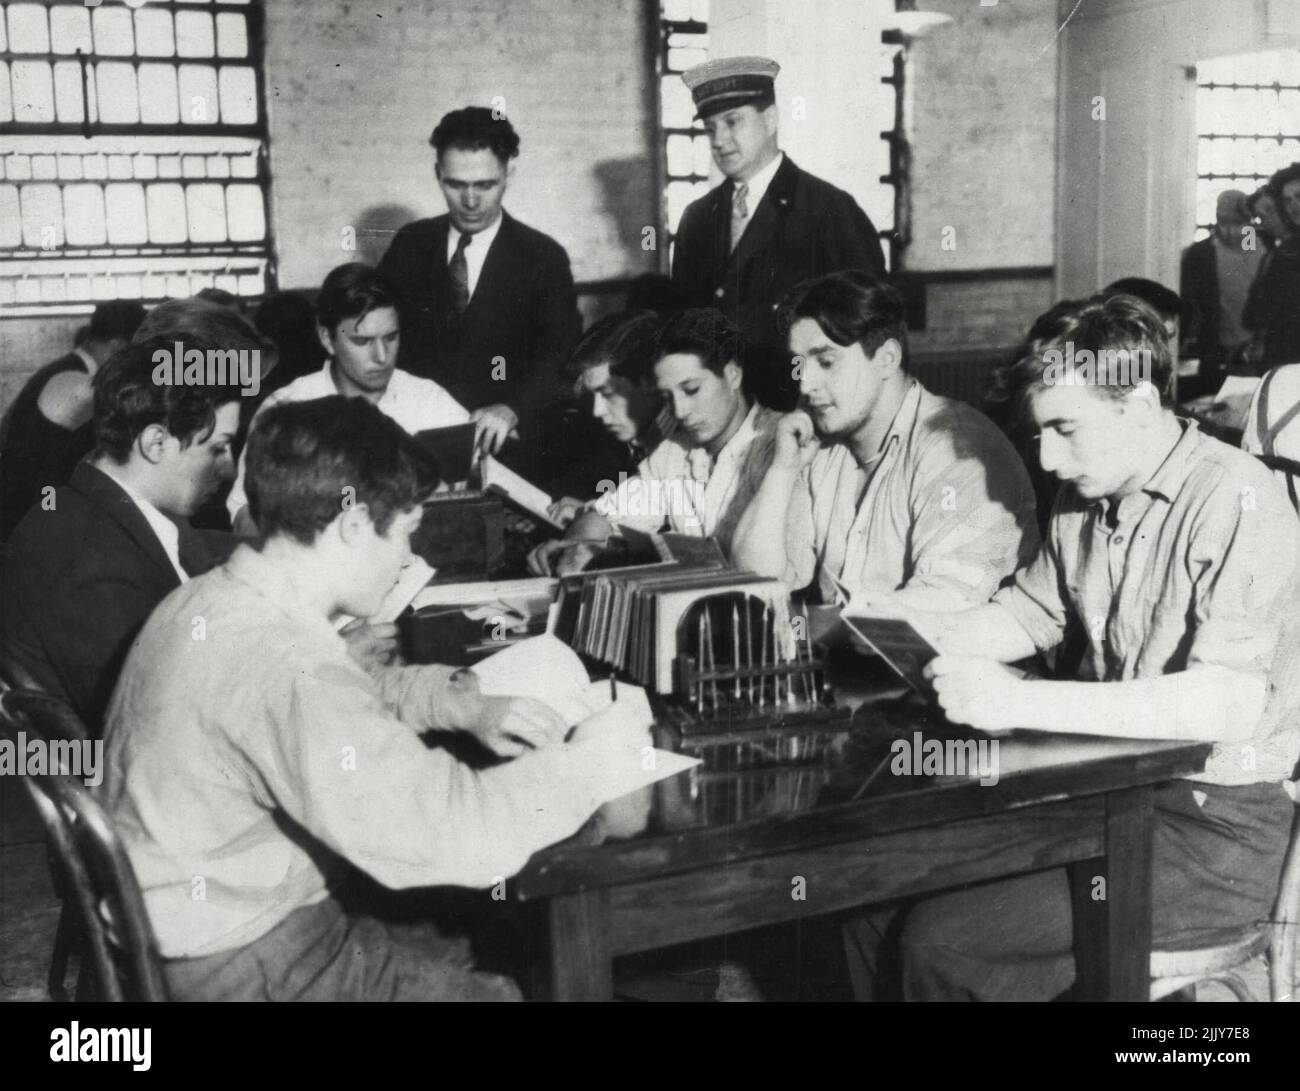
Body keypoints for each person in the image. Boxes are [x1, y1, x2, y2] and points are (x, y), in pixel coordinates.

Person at [100, 396, 651, 1001]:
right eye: (408, 534)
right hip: (245, 962)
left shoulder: (218, 599)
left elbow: (338, 694)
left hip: (202, 923)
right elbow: (458, 835)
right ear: (354, 525)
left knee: (495, 934)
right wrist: (595, 763)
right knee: (511, 981)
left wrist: (457, 703)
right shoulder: (288, 665)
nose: (410, 560)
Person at [857, 294, 1300, 1002]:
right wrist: (894, 629)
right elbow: (1027, 613)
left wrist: (1016, 697)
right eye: (1039, 432)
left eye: (1065, 428)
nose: (1047, 458)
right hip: (1112, 791)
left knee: (940, 938)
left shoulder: (1237, 499)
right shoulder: (1083, 501)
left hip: (1219, 828)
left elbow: (1229, 702)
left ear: (1141, 403)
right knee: (871, 893)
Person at [732, 272, 1038, 612]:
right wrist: (783, 469)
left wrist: (823, 628)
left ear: (886, 359)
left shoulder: (959, 449)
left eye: (826, 361)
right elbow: (755, 581)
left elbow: (945, 605)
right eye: (798, 364)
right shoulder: (821, 444)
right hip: (859, 655)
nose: (804, 385)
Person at [0, 338, 240, 733]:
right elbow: (162, 721)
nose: (228, 469)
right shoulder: (82, 557)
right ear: (156, 443)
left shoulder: (107, 505)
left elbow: (201, 548)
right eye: (219, 448)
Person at [671, 56, 886, 411]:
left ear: (770, 119)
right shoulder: (696, 219)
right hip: (723, 420)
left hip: (803, 414)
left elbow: (871, 331)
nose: (720, 141)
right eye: (710, 128)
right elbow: (683, 327)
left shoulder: (828, 210)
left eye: (732, 122)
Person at [379, 107, 581, 451]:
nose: (470, 201)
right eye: (456, 184)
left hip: (505, 443)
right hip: (411, 442)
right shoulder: (410, 245)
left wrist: (512, 409)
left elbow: (562, 356)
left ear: (508, 174)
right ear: (437, 174)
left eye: (485, 185)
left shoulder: (543, 257)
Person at [528, 309, 780, 575]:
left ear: (732, 375)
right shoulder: (674, 452)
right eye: (668, 396)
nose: (680, 411)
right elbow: (606, 515)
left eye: (692, 390)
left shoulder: (780, 443)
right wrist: (575, 549)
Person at [226, 262, 470, 535]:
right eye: (362, 341)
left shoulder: (430, 401)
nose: (381, 356)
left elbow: (481, 491)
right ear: (327, 339)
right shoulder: (286, 408)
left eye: (390, 338)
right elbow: (244, 516)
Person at [0, 300, 145, 539]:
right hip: (34, 521)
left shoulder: (62, 371)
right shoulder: (75, 382)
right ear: (118, 347)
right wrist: (53, 522)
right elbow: (47, 473)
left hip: (34, 514)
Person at [544, 310, 675, 526]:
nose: (597, 411)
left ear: (649, 383)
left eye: (607, 394)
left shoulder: (685, 445)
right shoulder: (633, 442)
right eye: (592, 396)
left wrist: (598, 516)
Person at [1180, 190, 1264, 394]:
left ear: (1249, 222)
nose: (1229, 231)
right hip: (1215, 348)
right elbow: (1188, 304)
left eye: (1237, 223)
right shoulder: (1202, 253)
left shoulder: (1259, 246)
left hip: (1256, 346)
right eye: (1222, 221)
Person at [1245, 163, 1300, 372]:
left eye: (1271, 211)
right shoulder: (1273, 249)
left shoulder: (1251, 237)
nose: (1293, 206)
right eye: (1287, 201)